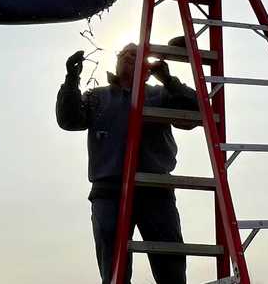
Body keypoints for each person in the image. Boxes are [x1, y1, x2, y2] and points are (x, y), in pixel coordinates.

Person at [56, 40, 201, 284]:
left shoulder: (160, 94)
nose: (127, 56)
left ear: (146, 68)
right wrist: (71, 79)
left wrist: (169, 80)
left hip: (155, 188)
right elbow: (69, 120)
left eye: (135, 55)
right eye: (123, 54)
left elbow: (197, 111)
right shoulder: (97, 97)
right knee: (114, 270)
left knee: (171, 267)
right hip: (109, 190)